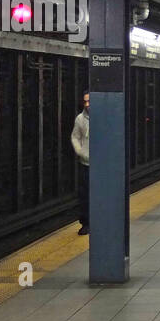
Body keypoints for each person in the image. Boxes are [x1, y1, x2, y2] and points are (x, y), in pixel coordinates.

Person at [71, 92, 90, 235]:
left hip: (102, 165)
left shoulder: (104, 118)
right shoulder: (80, 119)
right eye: (85, 101)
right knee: (85, 195)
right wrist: (80, 151)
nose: (87, 104)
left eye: (89, 101)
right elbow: (75, 137)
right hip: (86, 163)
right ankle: (86, 223)